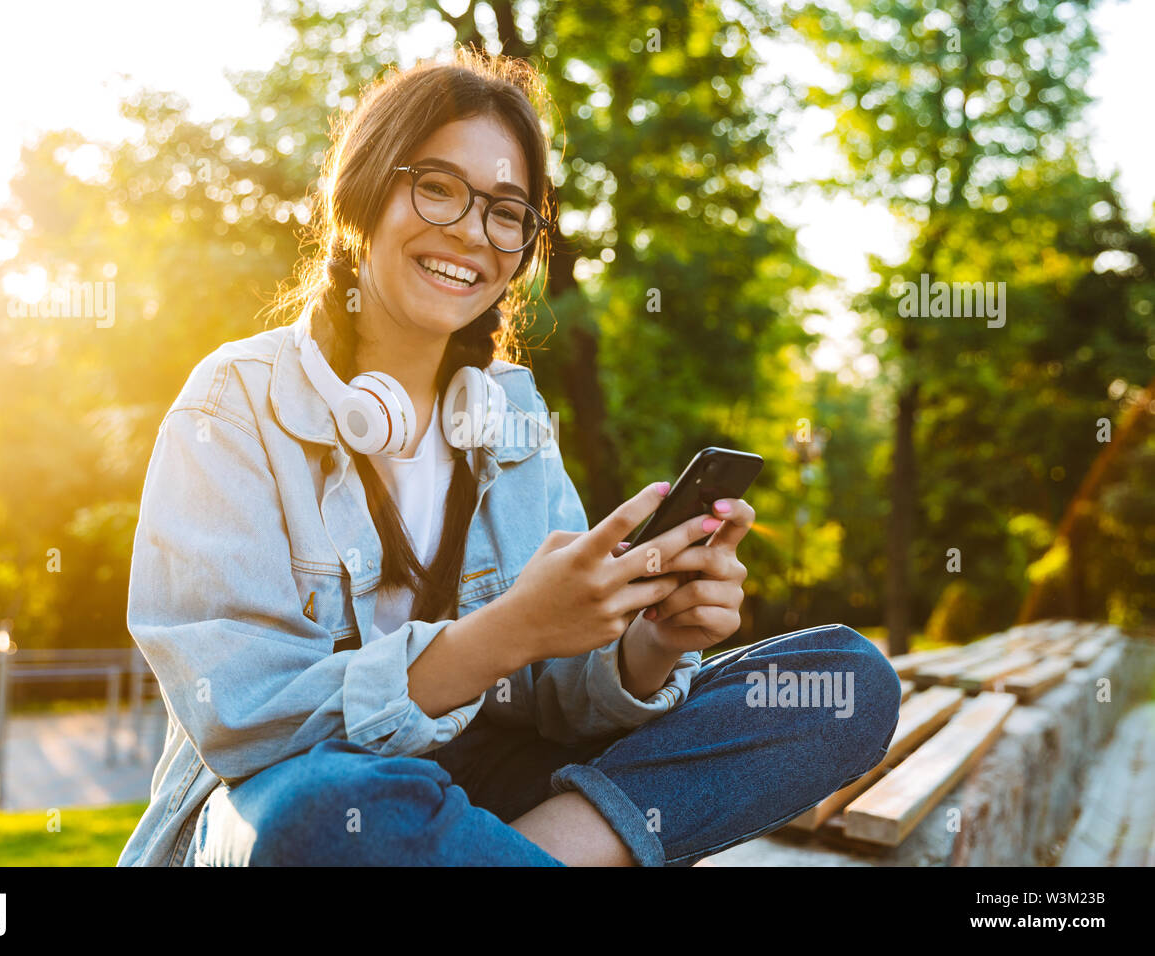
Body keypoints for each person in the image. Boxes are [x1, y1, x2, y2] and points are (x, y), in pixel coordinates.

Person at [117, 48, 900, 868]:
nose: (470, 233)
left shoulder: (511, 414)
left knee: (846, 682)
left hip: (474, 793)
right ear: (364, 191)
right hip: (296, 802)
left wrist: (651, 644)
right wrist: (506, 632)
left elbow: (556, 697)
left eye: (506, 211)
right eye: (438, 188)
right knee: (319, 816)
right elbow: (246, 718)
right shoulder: (234, 403)